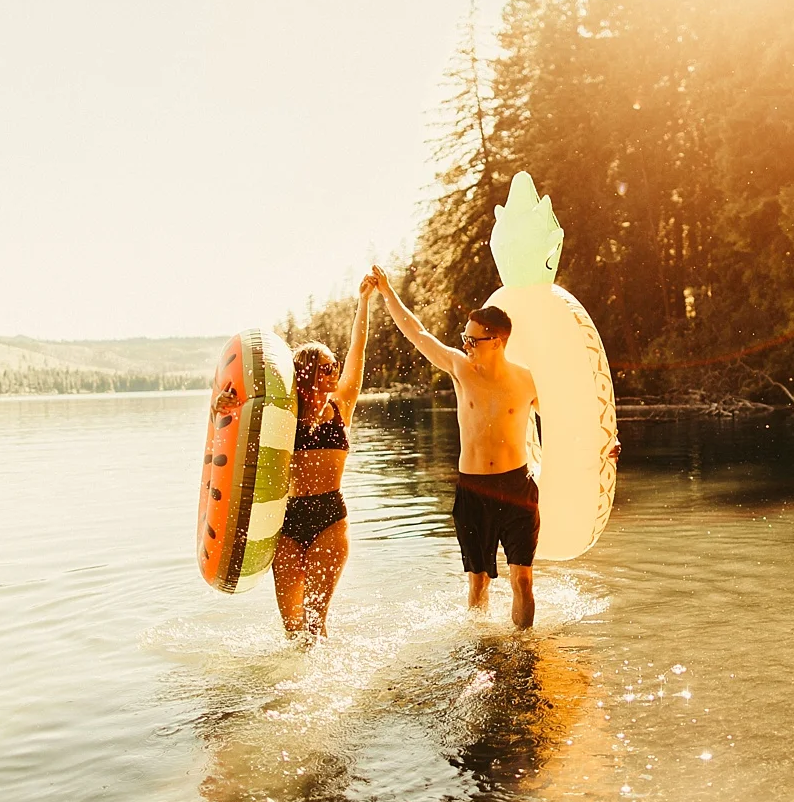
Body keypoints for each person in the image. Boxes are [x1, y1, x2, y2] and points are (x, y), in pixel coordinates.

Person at [370, 264, 549, 627]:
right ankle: (482, 653)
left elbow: (566, 425)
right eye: (464, 337)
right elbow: (416, 333)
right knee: (478, 584)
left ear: (497, 341)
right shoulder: (459, 368)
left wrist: (605, 447)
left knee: (524, 580)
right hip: (473, 490)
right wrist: (387, 292)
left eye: (473, 340)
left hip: (516, 486)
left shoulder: (527, 382)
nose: (465, 345)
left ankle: (524, 656)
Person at [214, 272, 376, 642]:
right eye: (327, 367)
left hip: (330, 517)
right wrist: (222, 407)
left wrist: (364, 301)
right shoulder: (282, 417)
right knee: (292, 630)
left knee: (316, 626)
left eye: (335, 366)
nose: (335, 372)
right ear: (307, 373)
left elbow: (358, 350)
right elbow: (237, 427)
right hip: (286, 521)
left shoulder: (341, 407)